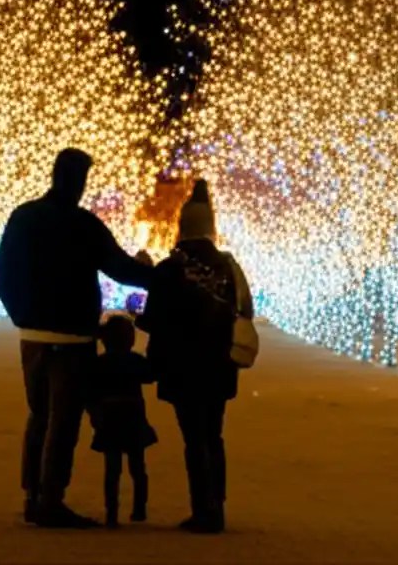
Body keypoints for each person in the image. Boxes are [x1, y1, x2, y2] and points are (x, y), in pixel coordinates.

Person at [0, 148, 154, 529]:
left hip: (32, 337)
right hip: (73, 339)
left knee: (39, 415)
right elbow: (118, 266)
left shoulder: (24, 217)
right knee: (63, 421)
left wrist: (22, 315)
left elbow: (4, 274)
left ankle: (33, 495)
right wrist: (154, 274)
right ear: (79, 181)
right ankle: (51, 499)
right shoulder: (83, 225)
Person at [137, 179, 252, 534]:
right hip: (219, 365)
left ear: (181, 226)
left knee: (194, 437)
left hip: (183, 367)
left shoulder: (171, 268)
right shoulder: (229, 267)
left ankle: (203, 510)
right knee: (213, 435)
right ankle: (216, 504)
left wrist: (140, 321)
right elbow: (245, 309)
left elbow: (155, 319)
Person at [87, 313, 157, 528]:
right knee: (137, 466)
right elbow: (151, 374)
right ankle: (139, 508)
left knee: (112, 468)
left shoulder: (99, 364)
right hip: (133, 415)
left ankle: (112, 512)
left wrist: (94, 415)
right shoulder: (134, 361)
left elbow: (89, 391)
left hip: (109, 416)